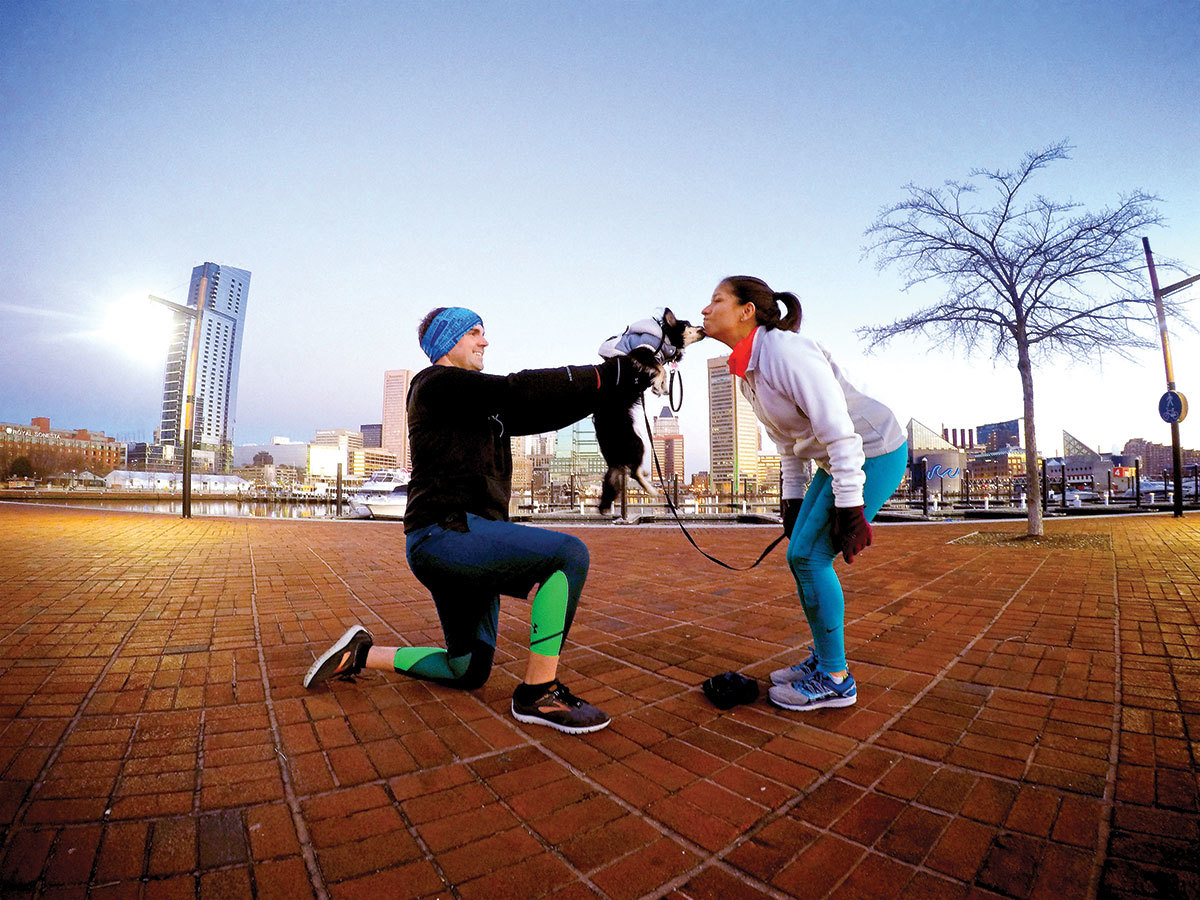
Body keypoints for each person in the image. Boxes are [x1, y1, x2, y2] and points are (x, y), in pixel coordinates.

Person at [303, 306, 650, 734]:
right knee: (568, 556)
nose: (485, 341)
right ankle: (538, 693)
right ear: (448, 342)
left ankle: (359, 655)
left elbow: (543, 411)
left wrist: (616, 386)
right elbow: (517, 389)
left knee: (467, 669)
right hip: (446, 534)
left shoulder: (477, 407)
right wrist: (605, 373)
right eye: (474, 332)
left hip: (461, 540)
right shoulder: (436, 384)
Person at [700, 276, 908, 711]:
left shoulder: (787, 353)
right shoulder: (749, 374)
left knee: (809, 557)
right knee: (801, 553)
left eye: (716, 300)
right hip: (836, 459)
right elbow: (788, 441)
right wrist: (792, 501)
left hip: (872, 449)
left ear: (746, 311)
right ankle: (824, 661)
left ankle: (836, 678)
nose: (704, 310)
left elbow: (840, 434)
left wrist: (851, 510)